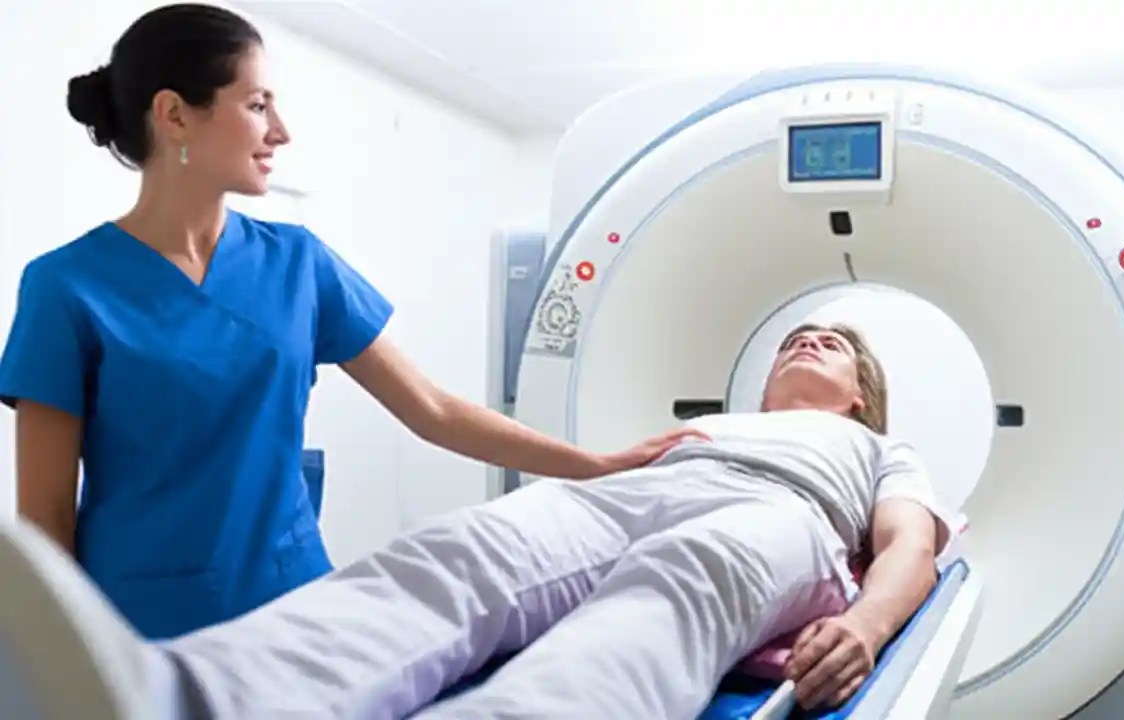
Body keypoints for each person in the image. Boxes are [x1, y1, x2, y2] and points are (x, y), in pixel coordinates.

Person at [0, 3, 700, 642]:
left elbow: (432, 411)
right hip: (134, 625)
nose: (280, 131)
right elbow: (45, 515)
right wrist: (55, 665)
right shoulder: (67, 286)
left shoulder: (297, 264)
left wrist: (592, 466)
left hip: (291, 601)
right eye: (257, 104)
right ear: (175, 115)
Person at [0, 321, 955, 719]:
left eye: (831, 345)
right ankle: (183, 697)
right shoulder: (712, 421)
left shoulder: (877, 452)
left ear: (860, 399)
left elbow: (908, 544)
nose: (808, 340)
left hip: (775, 516)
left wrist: (866, 629)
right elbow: (609, 480)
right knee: (468, 552)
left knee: (668, 593)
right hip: (633, 491)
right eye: (796, 334)